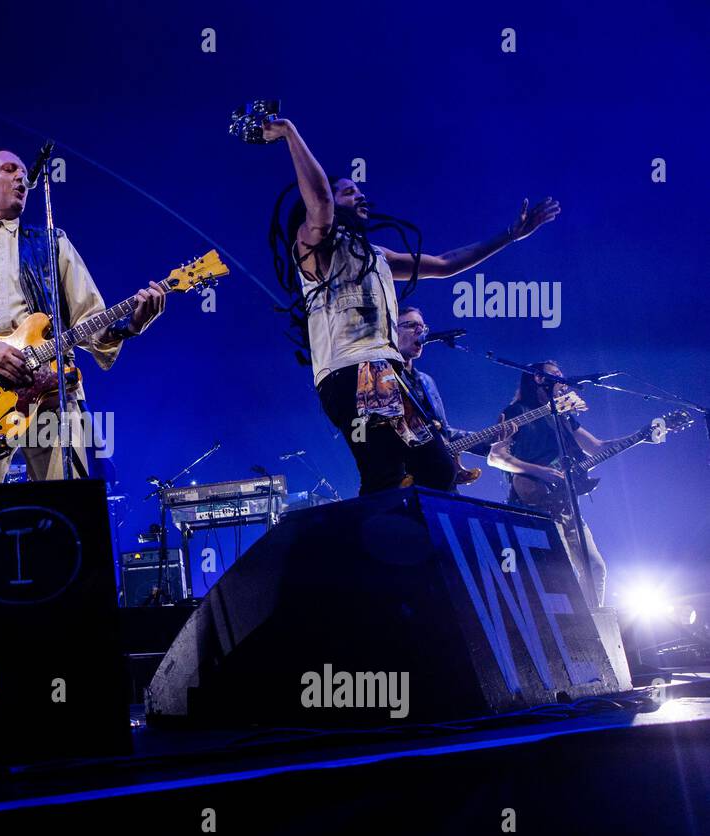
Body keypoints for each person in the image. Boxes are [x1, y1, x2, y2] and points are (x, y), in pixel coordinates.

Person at [261, 115, 559, 495]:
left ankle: (413, 548)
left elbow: (447, 263)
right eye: (349, 192)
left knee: (436, 470)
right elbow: (318, 200)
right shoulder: (313, 245)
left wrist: (510, 236)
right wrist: (290, 133)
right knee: (383, 472)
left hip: (384, 374)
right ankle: (370, 550)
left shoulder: (376, 254)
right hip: (352, 373)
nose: (361, 196)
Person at [0, 149, 166, 485]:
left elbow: (91, 321)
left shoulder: (53, 244)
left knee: (66, 517)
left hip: (51, 395)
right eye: (9, 169)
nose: (21, 177)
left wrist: (131, 326)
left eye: (23, 172)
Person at [487, 361, 617, 604]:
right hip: (535, 505)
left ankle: (592, 633)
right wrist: (540, 471)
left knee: (595, 569)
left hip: (567, 505)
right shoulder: (517, 412)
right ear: (538, 379)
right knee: (561, 573)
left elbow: (596, 448)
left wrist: (642, 437)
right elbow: (496, 458)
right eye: (557, 375)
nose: (563, 379)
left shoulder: (562, 415)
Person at [395, 306, 515, 481]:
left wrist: (488, 438)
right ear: (391, 331)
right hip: (405, 477)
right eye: (411, 325)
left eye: (423, 327)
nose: (420, 331)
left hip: (442, 477)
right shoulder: (383, 378)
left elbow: (444, 433)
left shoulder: (427, 382)